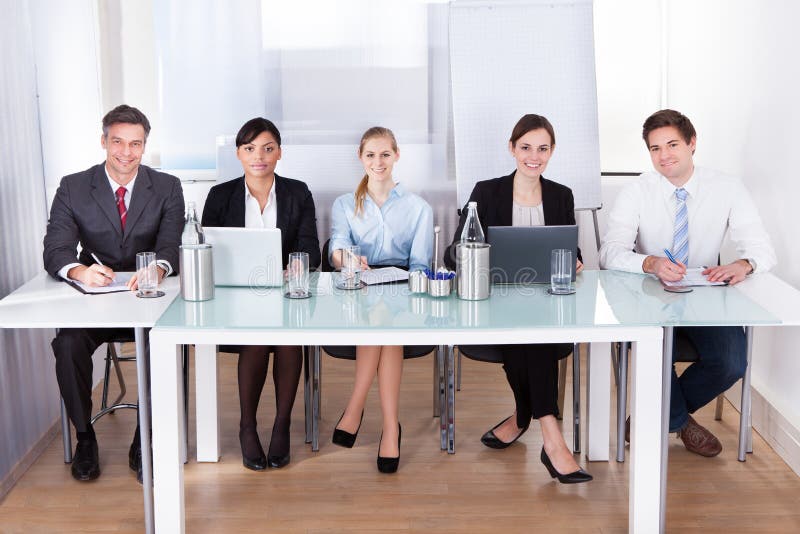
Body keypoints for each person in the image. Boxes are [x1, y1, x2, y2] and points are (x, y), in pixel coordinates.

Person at [599, 109, 776, 456]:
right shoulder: (637, 190)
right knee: (655, 351)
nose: (664, 155)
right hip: (650, 295)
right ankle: (679, 422)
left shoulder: (727, 187)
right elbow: (610, 252)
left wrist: (744, 263)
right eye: (654, 149)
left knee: (731, 362)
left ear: (692, 144)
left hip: (706, 296)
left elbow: (762, 249)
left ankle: (658, 418)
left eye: (672, 144)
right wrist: (649, 262)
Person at [444, 114, 592, 484]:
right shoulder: (487, 191)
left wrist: (574, 261)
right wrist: (473, 253)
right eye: (525, 147)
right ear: (512, 149)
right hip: (498, 299)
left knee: (535, 332)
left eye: (543, 148)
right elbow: (453, 252)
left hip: (546, 299)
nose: (534, 156)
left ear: (552, 151)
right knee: (530, 334)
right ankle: (552, 439)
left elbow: (569, 249)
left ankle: (526, 418)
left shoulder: (561, 195)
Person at [43, 104, 184, 482]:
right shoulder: (73, 186)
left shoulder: (167, 186)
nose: (126, 152)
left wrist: (158, 267)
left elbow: (172, 245)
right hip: (95, 306)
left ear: (145, 146)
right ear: (103, 141)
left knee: (167, 344)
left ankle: (145, 436)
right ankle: (85, 437)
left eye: (135, 144)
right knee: (67, 344)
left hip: (148, 302)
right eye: (118, 142)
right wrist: (80, 271)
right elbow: (55, 249)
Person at [202, 117, 321, 470]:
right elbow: (207, 248)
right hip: (237, 297)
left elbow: (311, 249)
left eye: (268, 148)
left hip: (285, 293)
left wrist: (295, 266)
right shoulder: (220, 195)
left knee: (288, 340)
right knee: (255, 337)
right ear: (238, 153)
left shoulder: (297, 192)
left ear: (279, 153)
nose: (260, 156)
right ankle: (247, 426)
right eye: (250, 148)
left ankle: (282, 424)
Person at [329, 126, 433, 473]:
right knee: (379, 323)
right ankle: (390, 425)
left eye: (385, 154)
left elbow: (420, 265)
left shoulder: (419, 207)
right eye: (371, 155)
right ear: (361, 158)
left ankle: (356, 408)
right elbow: (336, 249)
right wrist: (349, 260)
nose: (378, 161)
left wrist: (399, 288)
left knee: (384, 323)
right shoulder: (344, 204)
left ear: (397, 156)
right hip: (357, 288)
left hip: (403, 290)